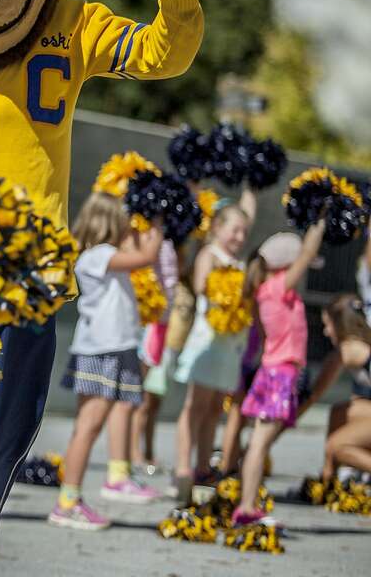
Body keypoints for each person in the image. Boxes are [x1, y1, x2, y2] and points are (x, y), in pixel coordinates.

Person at [48, 193, 164, 530]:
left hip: (111, 347)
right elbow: (146, 256)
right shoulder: (98, 255)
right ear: (111, 224)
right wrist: (156, 222)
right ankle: (67, 502)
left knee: (94, 422)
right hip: (102, 350)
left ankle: (73, 497)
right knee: (89, 424)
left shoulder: (102, 255)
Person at [231, 224, 326, 526]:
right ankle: (246, 507)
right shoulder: (278, 288)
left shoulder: (266, 291)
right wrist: (320, 222)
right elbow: (309, 251)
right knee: (259, 444)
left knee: (259, 443)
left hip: (273, 372)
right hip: (280, 375)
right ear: (287, 264)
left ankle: (248, 502)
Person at [171, 189, 256, 501]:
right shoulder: (210, 254)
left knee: (213, 410)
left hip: (229, 347)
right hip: (207, 341)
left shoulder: (239, 261)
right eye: (234, 229)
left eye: (244, 232)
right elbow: (200, 286)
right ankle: (182, 467)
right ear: (217, 228)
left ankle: (203, 466)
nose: (239, 236)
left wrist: (250, 190)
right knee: (194, 406)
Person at [131, 239, 180, 474]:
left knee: (153, 401)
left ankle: (147, 451)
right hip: (150, 323)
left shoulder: (171, 243)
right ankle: (134, 454)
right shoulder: (149, 238)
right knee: (141, 399)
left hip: (163, 327)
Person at [318, 295, 371, 481]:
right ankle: (328, 478)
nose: (326, 332)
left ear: (340, 325)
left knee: (336, 446)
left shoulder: (347, 350)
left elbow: (314, 394)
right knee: (339, 412)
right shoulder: (363, 344)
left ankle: (334, 474)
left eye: (328, 325)